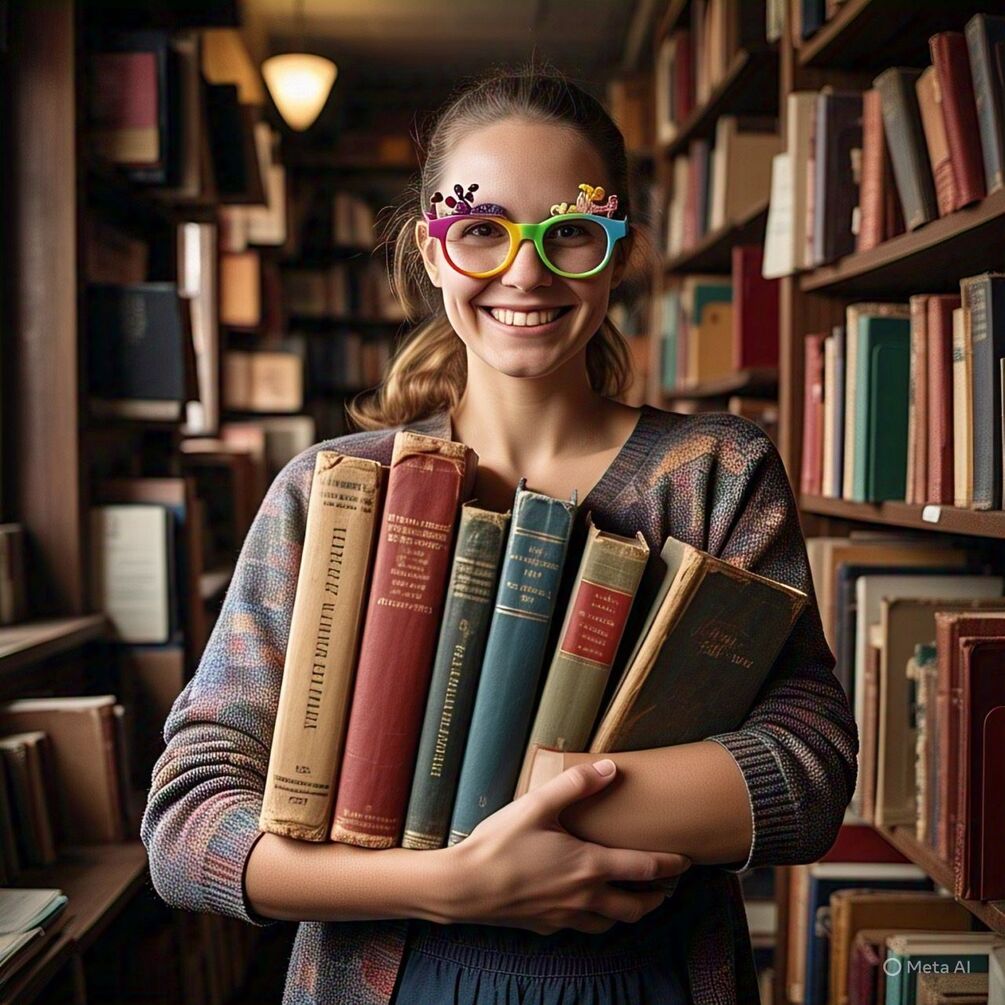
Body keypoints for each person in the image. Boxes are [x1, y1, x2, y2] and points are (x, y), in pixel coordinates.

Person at [141, 67, 858, 1005]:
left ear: (617, 252)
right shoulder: (332, 491)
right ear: (430, 253)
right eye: (481, 231)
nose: (525, 272)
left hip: (650, 982)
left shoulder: (714, 470)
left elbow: (808, 773)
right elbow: (187, 823)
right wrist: (449, 884)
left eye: (569, 234)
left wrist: (532, 790)